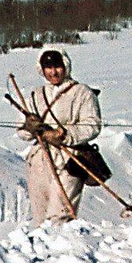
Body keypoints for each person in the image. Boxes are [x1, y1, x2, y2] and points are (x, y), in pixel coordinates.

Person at [20, 48, 102, 225]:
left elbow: (92, 125)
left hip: (70, 158)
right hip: (41, 158)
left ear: (65, 66)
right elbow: (22, 132)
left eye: (57, 66)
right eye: (48, 67)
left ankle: (62, 247)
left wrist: (64, 135)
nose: (53, 72)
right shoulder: (36, 95)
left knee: (60, 214)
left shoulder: (82, 92)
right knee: (40, 215)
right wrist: (30, 127)